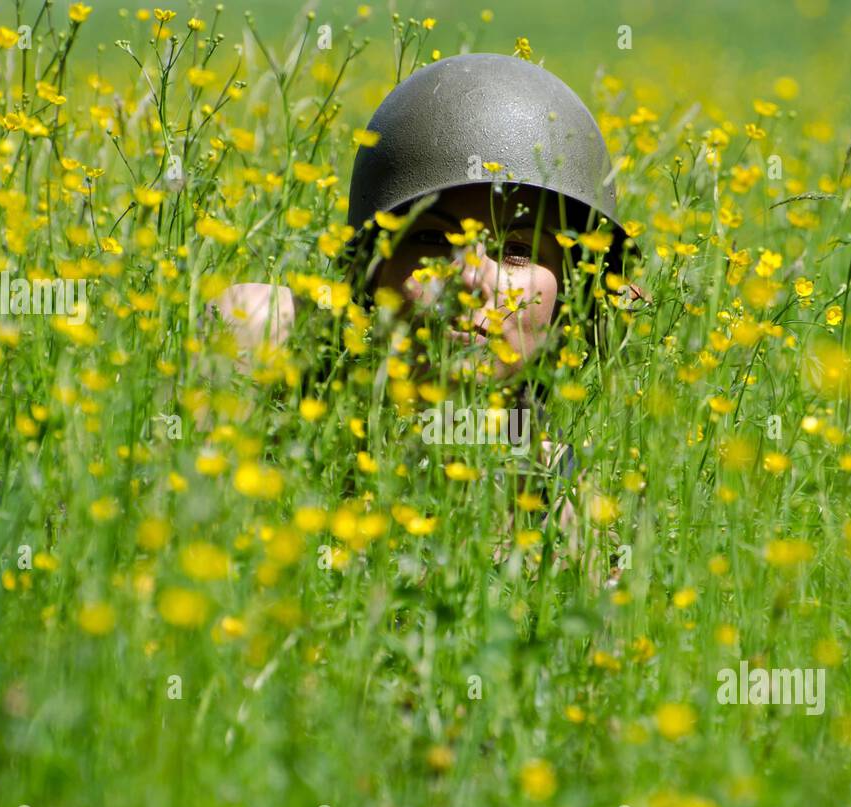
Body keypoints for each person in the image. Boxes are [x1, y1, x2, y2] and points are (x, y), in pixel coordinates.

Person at [206, 52, 643, 572]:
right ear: (369, 269)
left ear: (573, 292)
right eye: (432, 239)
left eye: (516, 250)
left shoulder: (564, 518)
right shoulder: (270, 341)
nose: (470, 280)